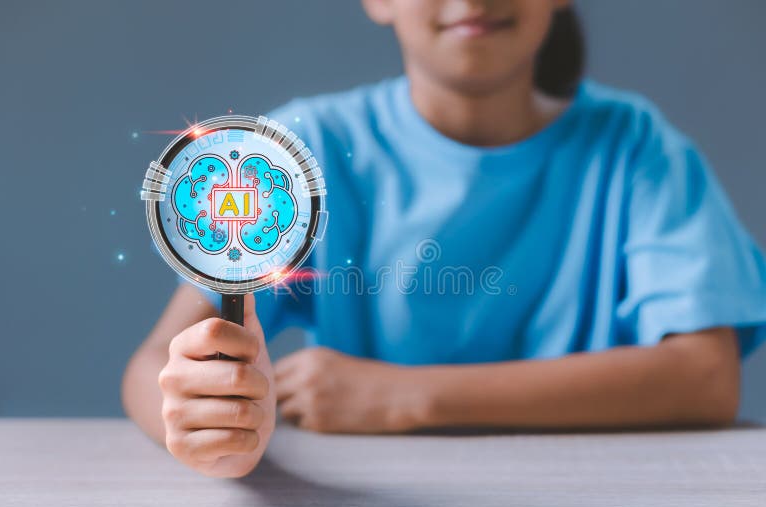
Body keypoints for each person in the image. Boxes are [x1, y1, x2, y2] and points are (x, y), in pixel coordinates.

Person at [122, 0, 766, 478]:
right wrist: (215, 430)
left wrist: (406, 396)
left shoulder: (635, 148)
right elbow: (154, 365)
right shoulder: (302, 153)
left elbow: (706, 377)